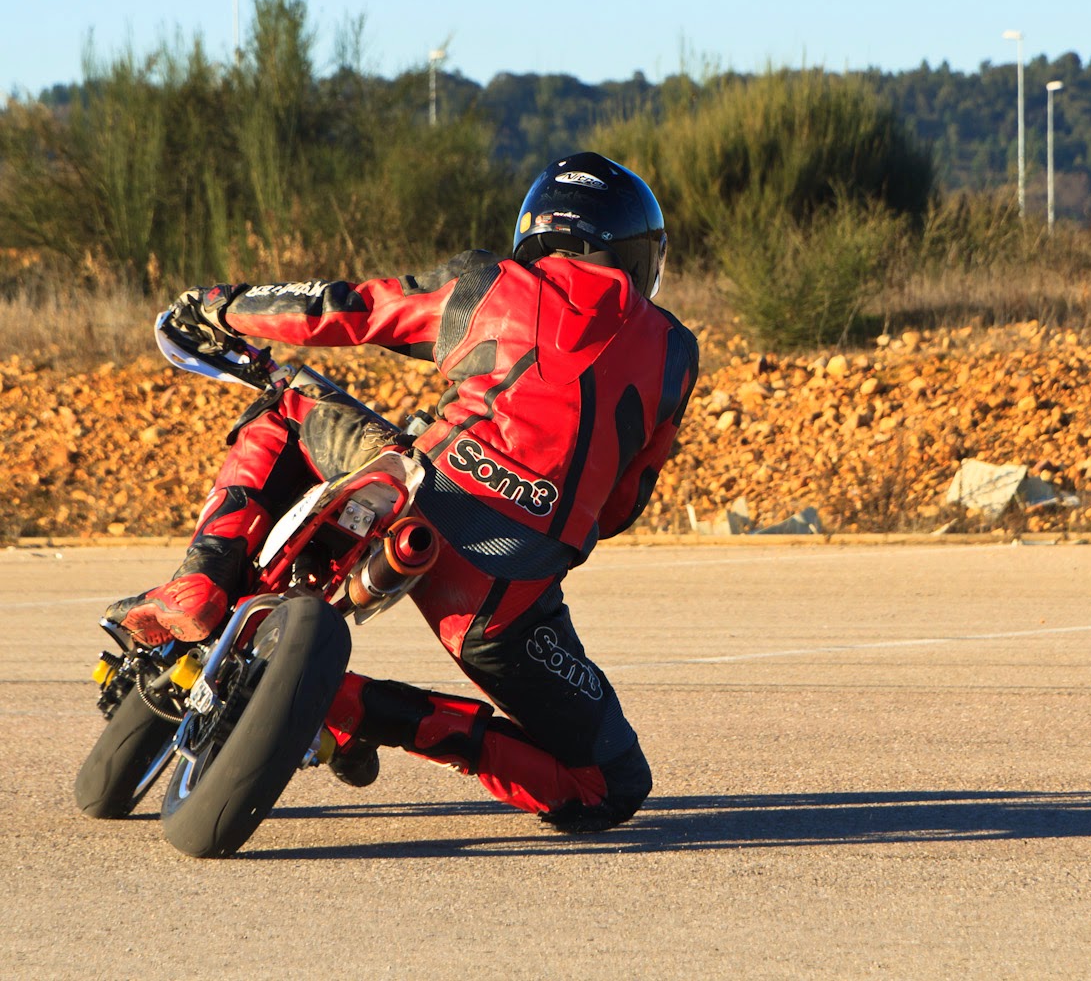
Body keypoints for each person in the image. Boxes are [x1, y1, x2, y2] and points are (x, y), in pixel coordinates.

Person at [106, 152, 698, 833]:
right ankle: (348, 707)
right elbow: (624, 507)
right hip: (501, 600)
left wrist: (222, 307)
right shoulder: (675, 353)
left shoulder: (492, 285)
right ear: (635, 251)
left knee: (285, 407)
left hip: (419, 493)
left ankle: (203, 578)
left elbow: (348, 310)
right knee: (608, 786)